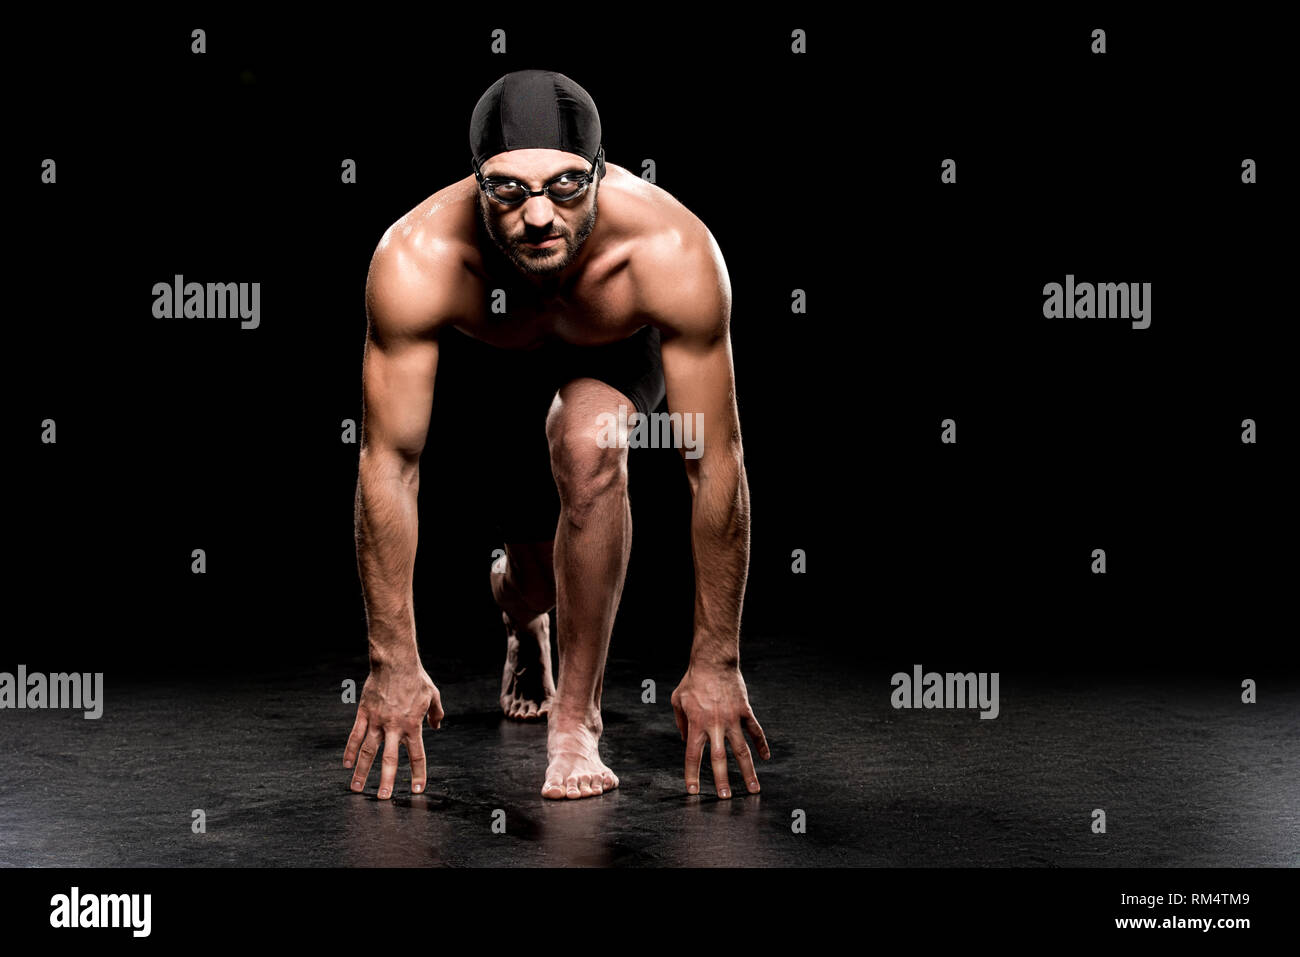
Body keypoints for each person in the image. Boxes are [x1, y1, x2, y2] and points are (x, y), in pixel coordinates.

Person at [344, 69, 769, 801]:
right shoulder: (417, 257)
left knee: (589, 446)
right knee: (533, 581)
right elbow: (389, 461)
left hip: (606, 347)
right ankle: (521, 614)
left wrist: (717, 659)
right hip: (491, 358)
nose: (538, 215)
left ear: (602, 173)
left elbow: (716, 462)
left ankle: (575, 722)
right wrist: (391, 661)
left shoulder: (672, 249)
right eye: (509, 190)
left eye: (567, 186)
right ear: (477, 182)